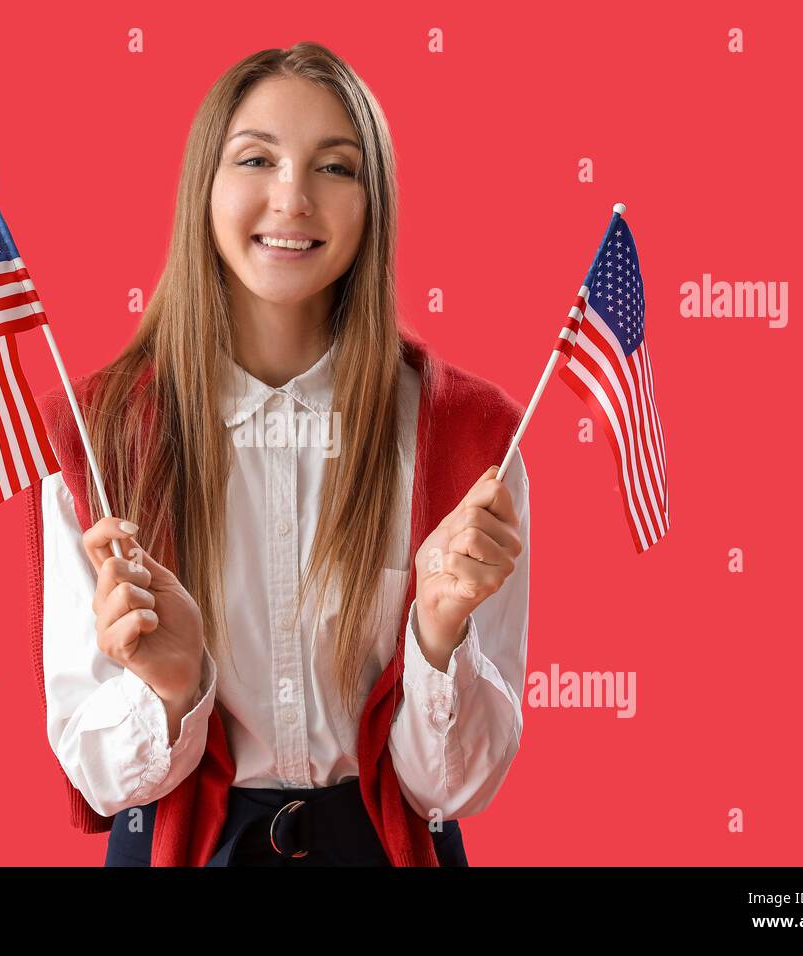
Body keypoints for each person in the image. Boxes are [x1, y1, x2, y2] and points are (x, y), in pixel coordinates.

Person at [26, 41, 530, 867]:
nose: (292, 197)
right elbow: (100, 774)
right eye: (257, 157)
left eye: (336, 167)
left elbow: (451, 792)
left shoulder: (469, 437)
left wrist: (438, 637)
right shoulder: (96, 435)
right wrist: (174, 682)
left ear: (375, 202)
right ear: (204, 188)